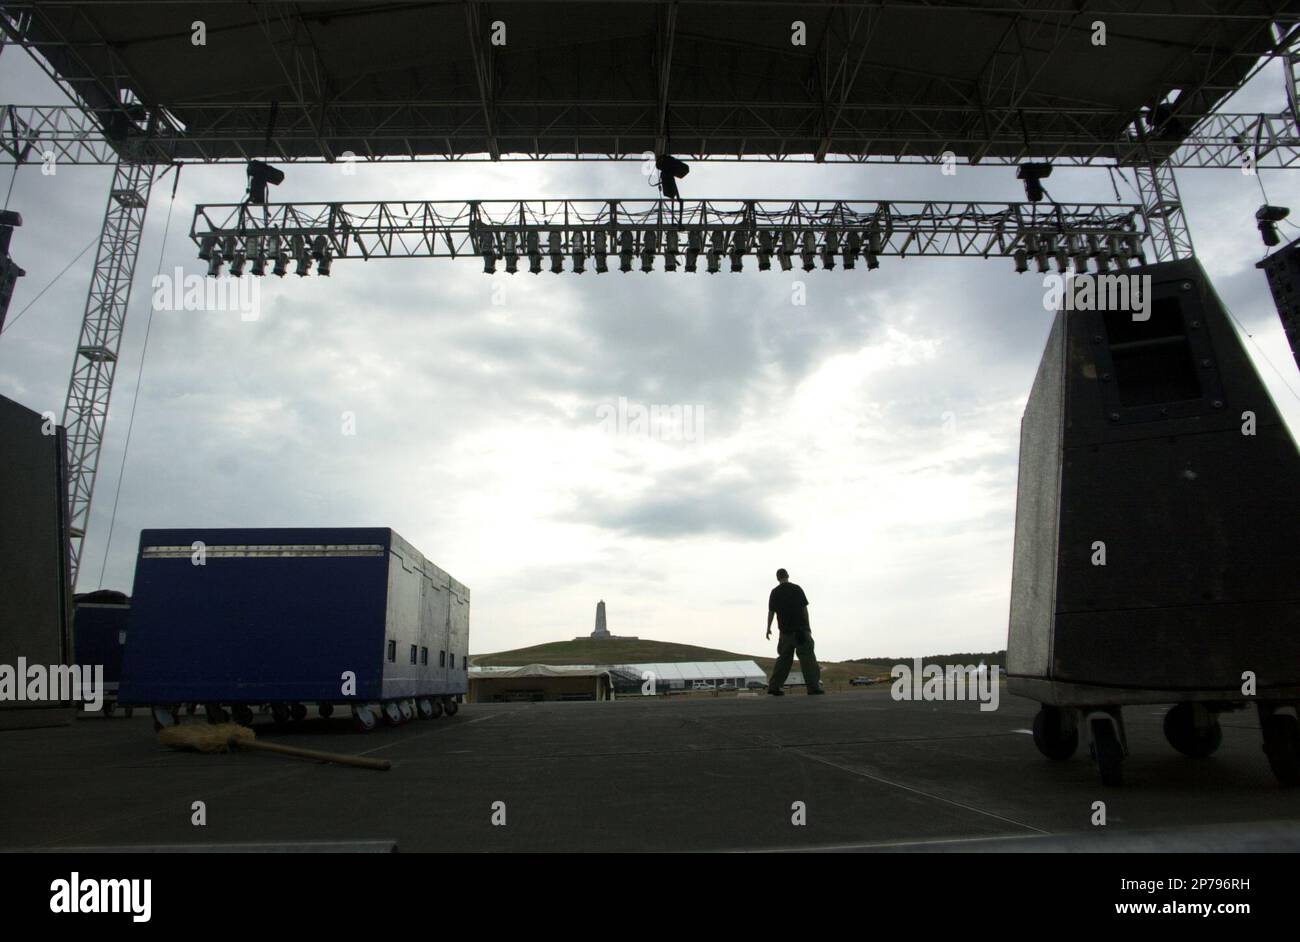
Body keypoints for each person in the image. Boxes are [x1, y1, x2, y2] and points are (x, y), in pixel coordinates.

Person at [765, 568, 823, 695]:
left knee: (783, 660)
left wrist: (768, 628)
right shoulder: (797, 589)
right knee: (808, 660)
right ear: (788, 575)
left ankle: (774, 686)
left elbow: (771, 612)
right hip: (800, 631)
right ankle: (813, 687)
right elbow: (804, 609)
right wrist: (808, 627)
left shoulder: (774, 592)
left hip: (784, 633)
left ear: (777, 578)